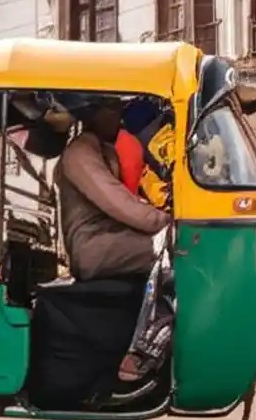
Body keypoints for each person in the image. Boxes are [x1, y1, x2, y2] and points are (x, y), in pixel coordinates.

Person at [55, 97, 170, 283]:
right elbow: (119, 203)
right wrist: (168, 223)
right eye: (114, 109)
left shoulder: (101, 149)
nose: (120, 116)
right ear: (93, 114)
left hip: (111, 240)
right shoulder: (79, 154)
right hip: (95, 248)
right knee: (179, 247)